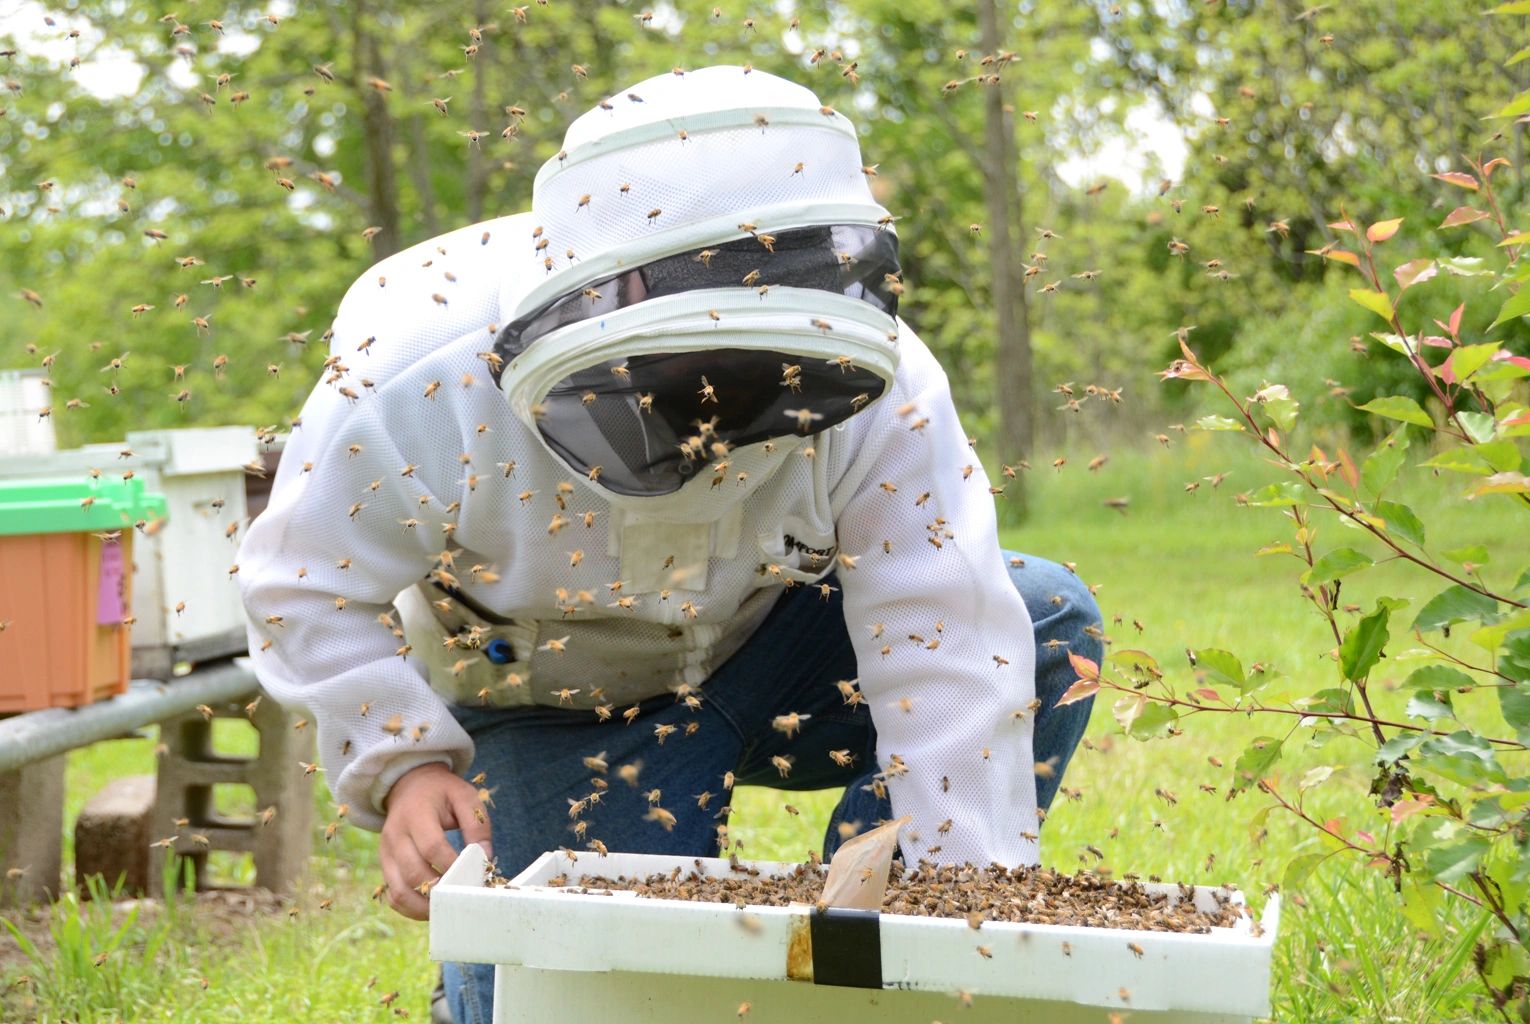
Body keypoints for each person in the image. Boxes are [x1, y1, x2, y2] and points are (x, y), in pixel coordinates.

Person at [237, 65, 1101, 1024]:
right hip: (557, 702)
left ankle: (863, 940)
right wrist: (405, 763)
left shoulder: (888, 384)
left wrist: (944, 935)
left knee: (1042, 616)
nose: (716, 430)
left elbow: (947, 633)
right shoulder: (412, 378)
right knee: (576, 997)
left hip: (774, 646)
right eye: (691, 389)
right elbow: (303, 585)